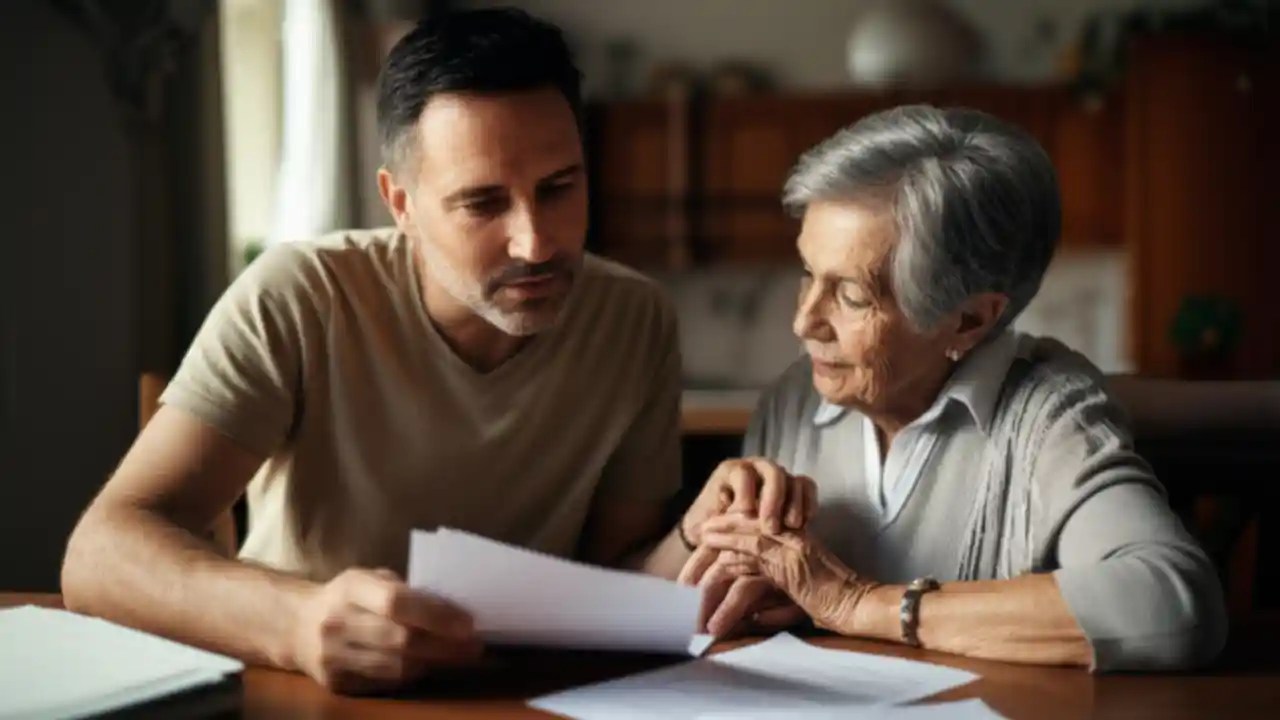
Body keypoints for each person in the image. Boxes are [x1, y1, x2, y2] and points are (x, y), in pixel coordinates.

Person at [61, 8, 809, 694]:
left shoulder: (635, 317)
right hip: (305, 692)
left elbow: (612, 582)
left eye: (559, 187)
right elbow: (98, 555)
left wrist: (694, 534)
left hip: (518, 696)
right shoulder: (300, 295)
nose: (537, 241)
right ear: (401, 205)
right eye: (483, 203)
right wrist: (298, 622)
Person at [679, 105, 1228, 672]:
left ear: (969, 321)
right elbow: (665, 613)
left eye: (852, 296)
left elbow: (1175, 603)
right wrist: (699, 539)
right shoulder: (793, 401)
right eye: (807, 275)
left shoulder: (1049, 416)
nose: (804, 323)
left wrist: (860, 604)